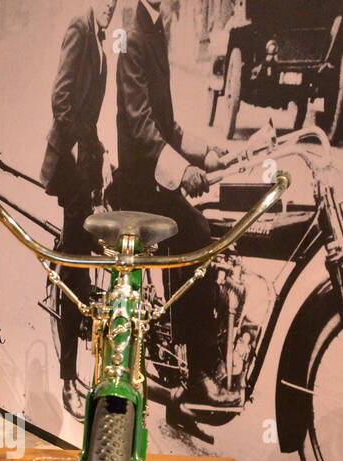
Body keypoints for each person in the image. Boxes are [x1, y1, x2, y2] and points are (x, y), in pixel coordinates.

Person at [116, 0, 229, 414]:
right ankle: (198, 375)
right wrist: (182, 171)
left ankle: (204, 346)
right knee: (197, 236)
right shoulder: (132, 30)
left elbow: (167, 123)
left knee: (214, 229)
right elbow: (138, 122)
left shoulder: (155, 23)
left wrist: (206, 154)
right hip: (139, 181)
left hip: (154, 173)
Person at [41, 0, 117, 418]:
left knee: (101, 248)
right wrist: (78, 156)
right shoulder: (78, 28)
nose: (110, 5)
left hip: (86, 161)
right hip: (70, 165)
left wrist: (100, 157)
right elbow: (62, 99)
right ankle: (68, 378)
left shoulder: (100, 38)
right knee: (75, 269)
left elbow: (89, 116)